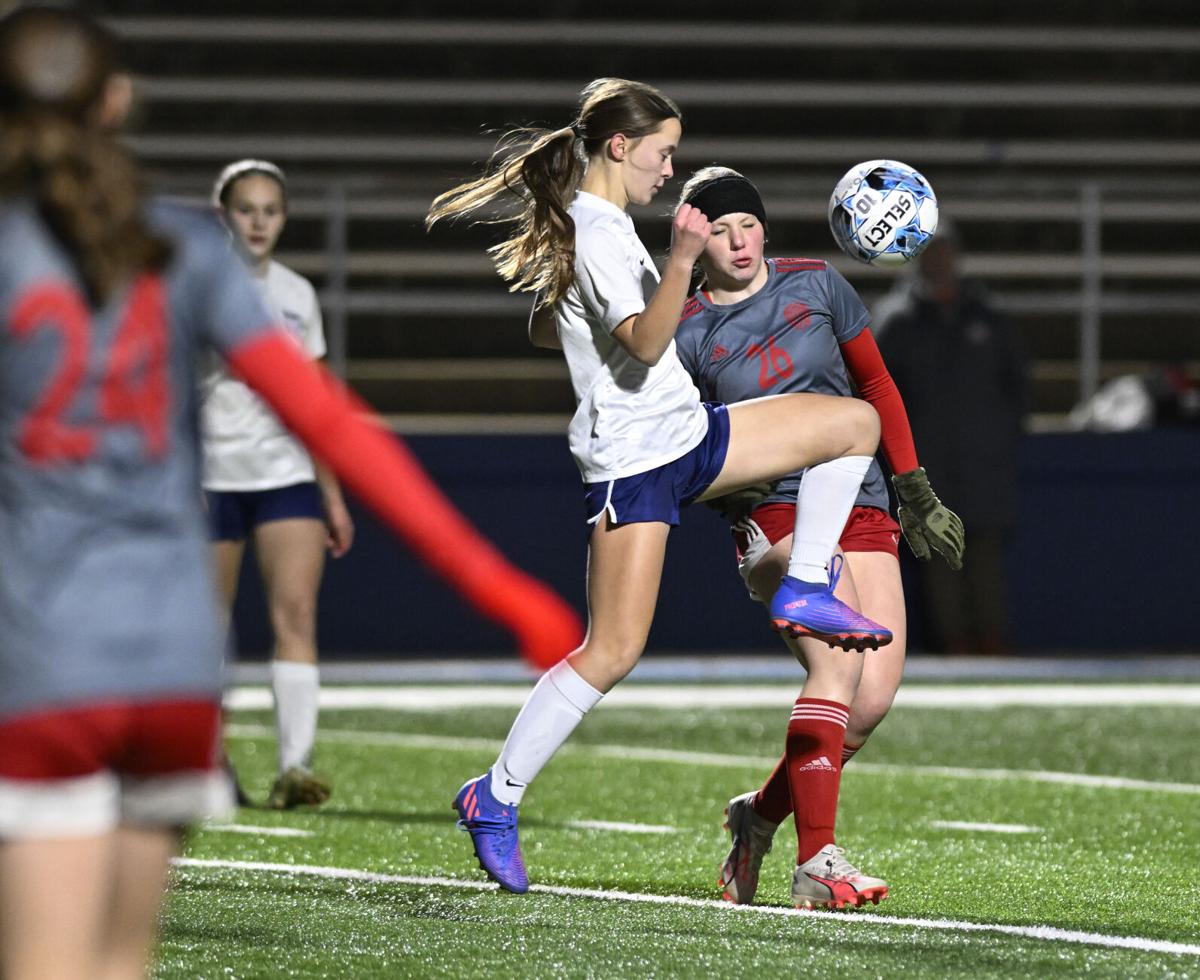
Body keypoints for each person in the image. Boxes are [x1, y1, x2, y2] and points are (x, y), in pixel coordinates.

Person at [0, 10, 579, 978]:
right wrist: (497, 585)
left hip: (41, 656)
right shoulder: (183, 242)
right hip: (169, 664)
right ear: (117, 100)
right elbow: (338, 426)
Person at [426, 78, 898, 896]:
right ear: (621, 146)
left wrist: (574, 308)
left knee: (852, 422)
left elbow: (549, 323)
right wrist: (680, 260)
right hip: (636, 459)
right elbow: (647, 345)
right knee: (612, 649)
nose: (667, 169)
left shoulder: (597, 228)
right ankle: (492, 797)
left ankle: (808, 585)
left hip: (685, 433)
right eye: (663, 152)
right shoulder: (603, 230)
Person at [671, 166, 965, 908]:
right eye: (719, 230)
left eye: (747, 225)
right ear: (694, 241)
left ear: (765, 228)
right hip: (773, 512)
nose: (737, 241)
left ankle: (758, 815)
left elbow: (877, 387)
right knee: (835, 668)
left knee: (870, 703)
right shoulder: (681, 330)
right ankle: (819, 863)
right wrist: (721, 489)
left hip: (858, 499)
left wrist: (915, 487)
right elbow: (677, 443)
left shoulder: (817, 284)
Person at [202, 159, 352, 810]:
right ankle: (207, 760)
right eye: (246, 209)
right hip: (208, 474)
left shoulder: (296, 294)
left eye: (271, 210)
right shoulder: (196, 287)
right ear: (223, 216)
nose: (260, 221)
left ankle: (295, 767)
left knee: (297, 614)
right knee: (209, 628)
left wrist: (332, 491)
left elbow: (314, 401)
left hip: (284, 472)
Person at [875, 226, 1025, 655]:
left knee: (985, 561)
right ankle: (954, 649)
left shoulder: (986, 315)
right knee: (940, 558)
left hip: (983, 464)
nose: (938, 260)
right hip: (925, 466)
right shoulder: (898, 319)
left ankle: (993, 646)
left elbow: (1016, 385)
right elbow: (876, 388)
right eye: (929, 251)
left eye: (944, 250)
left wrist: (999, 435)